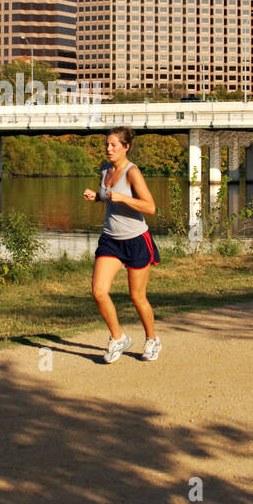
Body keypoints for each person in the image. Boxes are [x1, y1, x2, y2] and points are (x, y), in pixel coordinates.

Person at [83, 126, 161, 363]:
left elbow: (151, 207)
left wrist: (125, 198)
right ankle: (118, 338)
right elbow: (109, 197)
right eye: (107, 144)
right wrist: (96, 197)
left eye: (113, 145)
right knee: (98, 291)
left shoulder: (132, 172)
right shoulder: (105, 169)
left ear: (126, 147)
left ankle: (152, 340)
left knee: (137, 297)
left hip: (136, 240)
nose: (108, 149)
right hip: (110, 240)